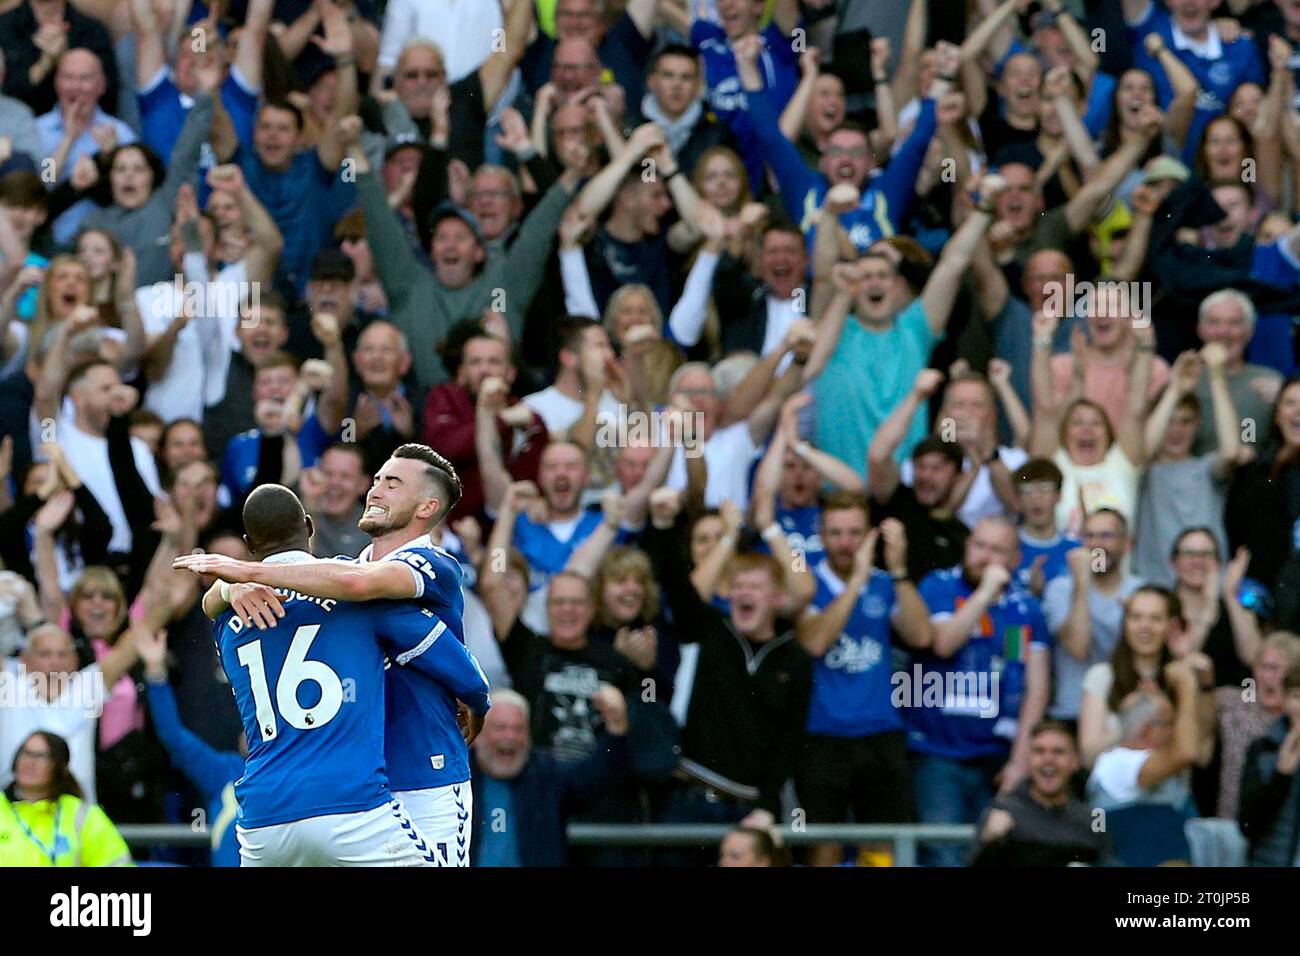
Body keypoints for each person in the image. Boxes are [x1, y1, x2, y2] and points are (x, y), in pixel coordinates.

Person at [176, 444, 492, 866]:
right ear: (306, 526)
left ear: (427, 506)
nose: (376, 490)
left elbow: (362, 585)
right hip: (360, 791)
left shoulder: (431, 564)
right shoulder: (337, 580)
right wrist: (229, 588)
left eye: (392, 483)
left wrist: (245, 573)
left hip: (425, 774)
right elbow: (345, 582)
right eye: (377, 479)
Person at [908, 515, 1052, 867]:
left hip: (998, 755)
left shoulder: (1025, 610)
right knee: (945, 854)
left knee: (994, 854)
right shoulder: (938, 586)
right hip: (938, 752)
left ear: (1015, 559)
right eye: (979, 546)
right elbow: (944, 643)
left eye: (997, 550)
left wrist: (1020, 761)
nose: (984, 556)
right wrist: (986, 592)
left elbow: (1036, 687)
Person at [795, 496, 930, 866]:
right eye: (835, 533)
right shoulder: (805, 583)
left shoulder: (886, 583)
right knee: (824, 848)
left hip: (880, 732)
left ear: (870, 535)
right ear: (821, 535)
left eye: (855, 533)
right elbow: (815, 641)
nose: (845, 542)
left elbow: (921, 636)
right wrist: (854, 583)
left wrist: (899, 569)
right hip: (822, 734)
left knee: (881, 850)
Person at [470, 687, 629, 867]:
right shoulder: (455, 778)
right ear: (478, 734)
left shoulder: (544, 773)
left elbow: (596, 775)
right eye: (500, 728)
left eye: (518, 729)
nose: (510, 737)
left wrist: (616, 728)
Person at [1041, 508, 1145, 724]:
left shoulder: (1141, 592)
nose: (1096, 544)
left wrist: (1133, 615)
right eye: (1089, 536)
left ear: (1127, 544)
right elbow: (1078, 647)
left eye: (1106, 536)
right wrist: (1081, 581)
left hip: (1126, 713)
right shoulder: (1059, 589)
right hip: (1071, 712)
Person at [970, 721, 1110, 866]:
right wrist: (990, 841)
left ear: (1075, 761)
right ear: (1028, 761)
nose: (1048, 759)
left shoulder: (1093, 817)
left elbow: (1108, 861)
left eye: (1058, 752)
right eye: (1039, 751)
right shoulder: (1002, 811)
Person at [0, 730, 130, 867]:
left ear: (60, 766)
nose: (29, 762)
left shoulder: (82, 815)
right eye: (25, 753)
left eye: (40, 756)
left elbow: (116, 863)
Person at [1238, 660, 1300, 865]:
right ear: (1284, 700)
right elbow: (1246, 825)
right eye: (1297, 696)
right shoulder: (1263, 749)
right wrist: (1281, 775)